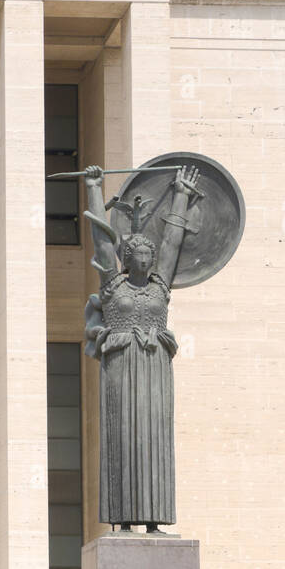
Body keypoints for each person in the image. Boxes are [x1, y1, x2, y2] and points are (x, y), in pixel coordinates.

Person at [83, 163, 201, 532]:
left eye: (149, 256)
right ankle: (122, 522)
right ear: (127, 257)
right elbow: (102, 239)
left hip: (154, 367)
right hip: (120, 364)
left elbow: (172, 241)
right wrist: (92, 188)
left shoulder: (160, 286)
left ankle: (153, 521)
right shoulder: (112, 285)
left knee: (153, 439)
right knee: (122, 436)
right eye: (139, 254)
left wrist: (180, 194)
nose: (147, 259)